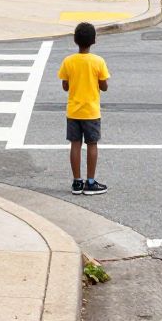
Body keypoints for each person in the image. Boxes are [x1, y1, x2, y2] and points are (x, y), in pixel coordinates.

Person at [58, 22, 110, 195]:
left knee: (75, 144)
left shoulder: (68, 61)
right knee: (92, 144)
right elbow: (104, 86)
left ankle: (77, 182)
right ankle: (90, 181)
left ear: (75, 40)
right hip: (91, 111)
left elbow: (65, 86)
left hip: (73, 110)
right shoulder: (98, 61)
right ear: (94, 40)